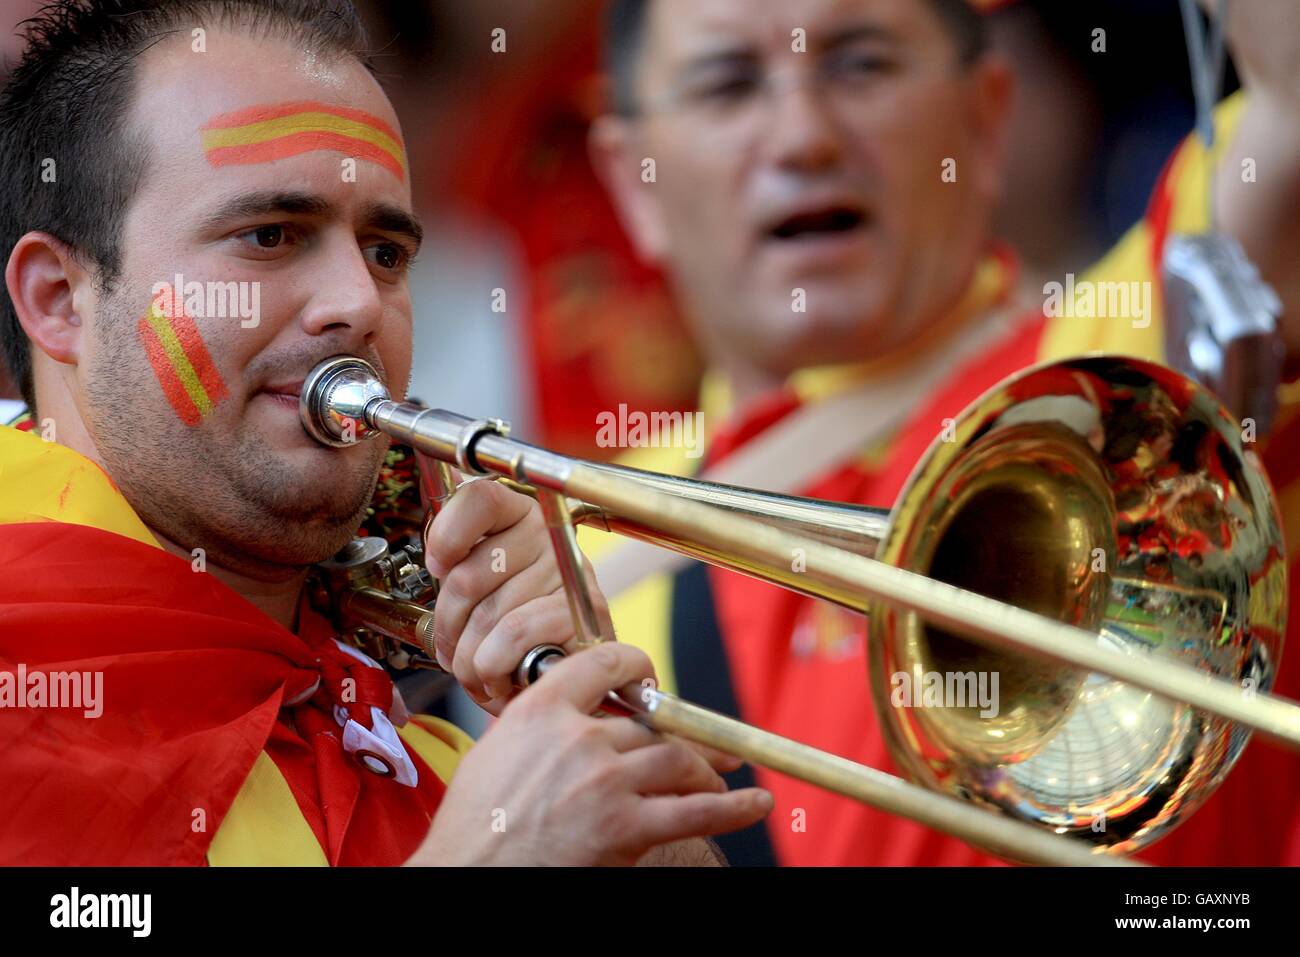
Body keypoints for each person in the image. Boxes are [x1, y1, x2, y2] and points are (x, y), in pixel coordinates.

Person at [520, 0, 1297, 865]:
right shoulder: (575, 538)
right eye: (728, 85)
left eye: (862, 65)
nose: (802, 136)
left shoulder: (1125, 371)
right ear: (636, 182)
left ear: (986, 117)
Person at [0, 0, 773, 866]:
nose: (360, 304)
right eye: (269, 235)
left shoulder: (424, 758)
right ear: (58, 299)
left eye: (386, 253)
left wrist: (583, 716)